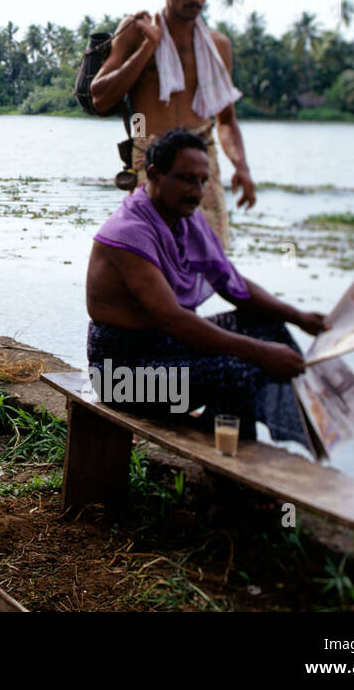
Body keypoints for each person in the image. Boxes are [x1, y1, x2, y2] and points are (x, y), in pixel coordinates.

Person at [85, 128, 327, 449]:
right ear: (155, 174)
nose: (196, 192)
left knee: (264, 326)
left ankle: (295, 439)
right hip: (121, 379)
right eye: (186, 179)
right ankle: (235, 479)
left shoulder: (186, 220)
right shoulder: (129, 232)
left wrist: (299, 317)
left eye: (202, 181)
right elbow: (174, 319)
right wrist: (260, 353)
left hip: (166, 351)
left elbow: (234, 286)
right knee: (237, 370)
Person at [90, 0, 254, 249]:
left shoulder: (218, 46)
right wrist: (147, 49)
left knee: (205, 257)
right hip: (152, 159)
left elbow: (226, 119)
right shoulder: (136, 32)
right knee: (150, 255)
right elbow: (100, 96)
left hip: (201, 159)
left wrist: (241, 167)